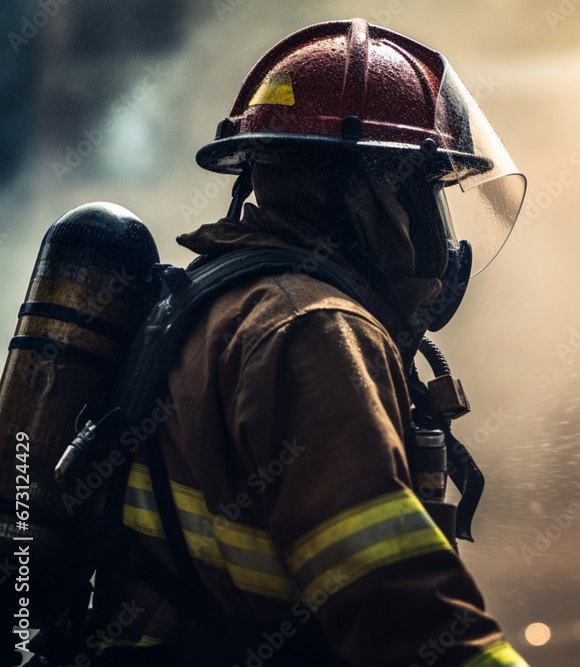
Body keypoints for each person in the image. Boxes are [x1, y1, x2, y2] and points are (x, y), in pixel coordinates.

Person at [86, 18, 528, 666]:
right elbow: (398, 606)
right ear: (370, 193)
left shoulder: (218, 301)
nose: (436, 230)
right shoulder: (313, 328)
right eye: (424, 191)